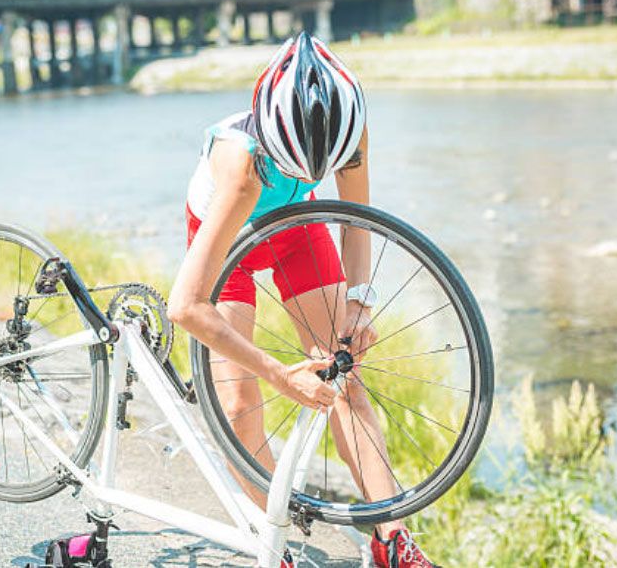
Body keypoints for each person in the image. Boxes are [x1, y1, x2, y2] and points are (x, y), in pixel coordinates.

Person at [168, 31, 436, 568]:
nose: (312, 175)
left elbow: (357, 224)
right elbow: (185, 307)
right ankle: (274, 540)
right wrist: (278, 374)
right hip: (229, 245)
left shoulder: (348, 131)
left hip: (297, 231)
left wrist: (359, 304)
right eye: (297, 169)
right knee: (240, 406)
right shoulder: (241, 167)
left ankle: (391, 538)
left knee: (346, 381)